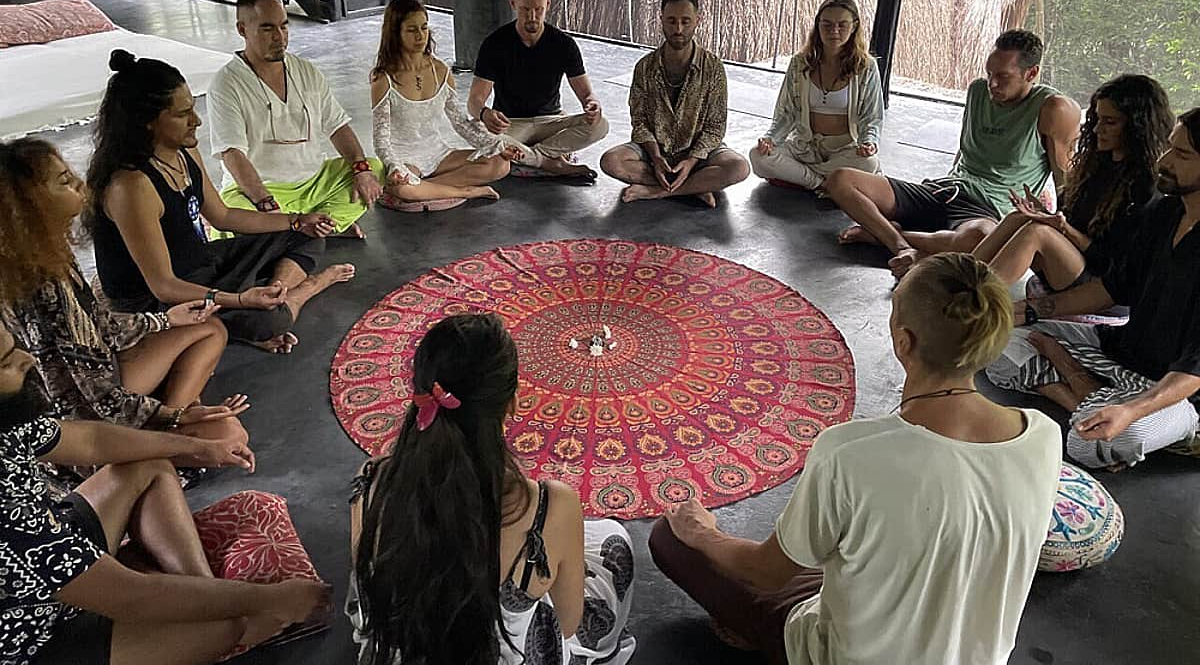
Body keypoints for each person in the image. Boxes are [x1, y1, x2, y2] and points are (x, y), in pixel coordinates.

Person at [650, 252, 1061, 665]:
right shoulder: (1043, 435)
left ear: (904, 341)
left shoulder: (850, 452)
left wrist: (704, 534)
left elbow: (768, 573)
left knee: (671, 538)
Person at [0, 325, 330, 665]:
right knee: (226, 627)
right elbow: (129, 596)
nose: (27, 360)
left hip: (51, 548)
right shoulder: (7, 516)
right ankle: (209, 609)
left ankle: (200, 589)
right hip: (34, 639)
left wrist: (198, 448)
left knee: (148, 465)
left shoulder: (7, 420)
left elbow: (90, 441)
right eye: (5, 362)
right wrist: (270, 598)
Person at [349, 314, 635, 665]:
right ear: (511, 403)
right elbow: (569, 621)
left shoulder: (371, 479)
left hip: (402, 648)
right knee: (612, 538)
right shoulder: (551, 505)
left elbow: (366, 581)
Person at [0, 138, 250, 494]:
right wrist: (173, 418)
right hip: (78, 424)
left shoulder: (40, 254)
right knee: (228, 432)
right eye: (64, 182)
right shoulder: (41, 284)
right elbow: (92, 396)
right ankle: (162, 431)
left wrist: (165, 321)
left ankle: (172, 419)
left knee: (208, 329)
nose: (80, 186)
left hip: (95, 385)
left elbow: (100, 328)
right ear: (27, 204)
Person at [88, 50, 353, 355]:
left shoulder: (183, 152)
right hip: (159, 300)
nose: (196, 121)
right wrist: (240, 300)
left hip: (200, 264)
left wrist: (296, 220)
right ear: (147, 122)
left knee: (306, 234)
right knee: (267, 323)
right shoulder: (131, 186)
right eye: (182, 114)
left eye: (193, 109)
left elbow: (222, 216)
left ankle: (275, 296)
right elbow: (164, 285)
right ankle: (305, 289)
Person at [986, 108, 1200, 470]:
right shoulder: (1165, 213)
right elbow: (1115, 288)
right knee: (991, 339)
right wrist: (1027, 311)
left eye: (1181, 155)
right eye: (1168, 148)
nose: (1163, 161)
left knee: (1095, 442)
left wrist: (1133, 410)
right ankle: (1083, 397)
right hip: (1120, 352)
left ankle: (1084, 392)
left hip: (1178, 392)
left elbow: (1194, 370)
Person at [827, 29, 1081, 277]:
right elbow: (965, 152)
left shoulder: (1054, 109)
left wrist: (1067, 235)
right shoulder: (978, 91)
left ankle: (879, 233)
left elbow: (1065, 180)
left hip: (987, 209)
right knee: (841, 180)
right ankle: (900, 245)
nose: (992, 83)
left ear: (1031, 73)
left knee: (982, 241)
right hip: (947, 189)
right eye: (989, 73)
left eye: (1003, 76)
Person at [207, 0, 385, 238]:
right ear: (242, 29)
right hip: (260, 190)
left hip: (314, 183)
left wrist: (361, 169)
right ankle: (317, 228)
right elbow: (232, 154)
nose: (279, 36)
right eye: (267, 28)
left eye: (284, 26)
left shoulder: (307, 72)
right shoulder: (226, 83)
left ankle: (302, 231)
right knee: (229, 218)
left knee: (374, 169)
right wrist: (266, 205)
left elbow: (337, 127)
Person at [971, 74, 1171, 289]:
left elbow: (1113, 263)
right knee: (1018, 217)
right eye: (1097, 119)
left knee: (1037, 233)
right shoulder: (1096, 164)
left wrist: (1063, 229)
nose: (1096, 129)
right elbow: (1070, 220)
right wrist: (1044, 214)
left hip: (1102, 282)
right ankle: (955, 279)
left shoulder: (1145, 186)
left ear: (1137, 127)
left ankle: (976, 301)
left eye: (1110, 122)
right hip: (1071, 260)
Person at [599, 0, 749, 207]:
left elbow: (715, 127)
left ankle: (661, 191)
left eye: (685, 21)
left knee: (739, 167)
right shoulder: (645, 67)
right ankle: (695, 188)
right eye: (671, 21)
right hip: (655, 152)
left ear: (697, 20)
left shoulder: (713, 68)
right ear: (661, 20)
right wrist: (657, 158)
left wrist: (691, 161)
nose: (678, 28)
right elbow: (639, 121)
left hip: (699, 154)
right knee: (611, 161)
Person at [370, 0, 516, 212]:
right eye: (411, 30)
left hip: (438, 153)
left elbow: (460, 123)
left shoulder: (440, 71)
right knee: (403, 187)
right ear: (396, 34)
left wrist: (493, 145)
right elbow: (380, 138)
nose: (420, 36)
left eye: (424, 27)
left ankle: (425, 189)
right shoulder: (383, 78)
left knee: (500, 163)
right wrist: (393, 166)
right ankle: (466, 190)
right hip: (403, 158)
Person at [467, 0, 608, 181]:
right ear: (513, 3)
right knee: (477, 133)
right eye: (525, 9)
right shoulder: (494, 44)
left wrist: (592, 105)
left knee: (601, 125)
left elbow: (587, 95)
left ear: (548, 4)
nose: (532, 17)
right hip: (511, 123)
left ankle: (530, 157)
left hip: (550, 121)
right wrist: (485, 114)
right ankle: (550, 161)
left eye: (538, 9)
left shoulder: (564, 44)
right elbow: (474, 101)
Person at [750, 0, 883, 193]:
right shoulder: (799, 63)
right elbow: (787, 112)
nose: (834, 31)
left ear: (854, 26)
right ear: (817, 26)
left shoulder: (866, 67)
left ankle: (802, 177)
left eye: (842, 25)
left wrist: (868, 142)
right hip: (805, 147)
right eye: (827, 24)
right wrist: (771, 138)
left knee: (868, 163)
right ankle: (823, 184)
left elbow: (871, 117)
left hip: (844, 149)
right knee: (758, 156)